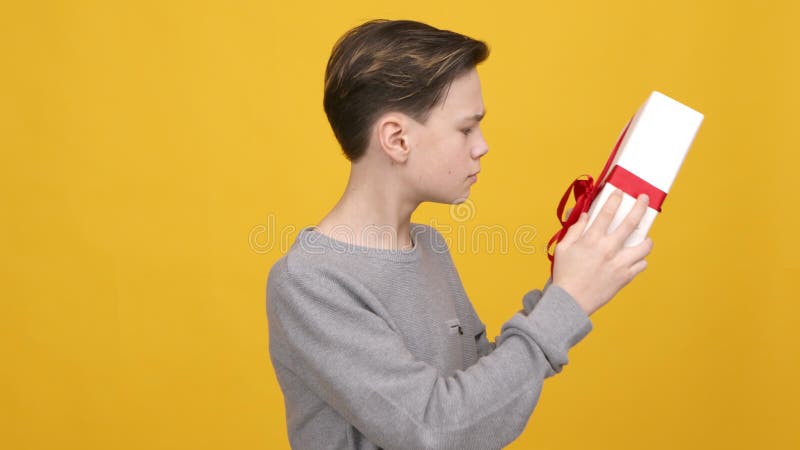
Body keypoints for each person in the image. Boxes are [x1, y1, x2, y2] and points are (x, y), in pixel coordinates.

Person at [266, 19, 652, 450]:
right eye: (467, 128)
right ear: (397, 139)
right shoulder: (309, 283)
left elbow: (477, 397)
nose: (482, 145)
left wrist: (565, 285)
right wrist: (569, 302)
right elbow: (438, 429)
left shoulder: (429, 245)